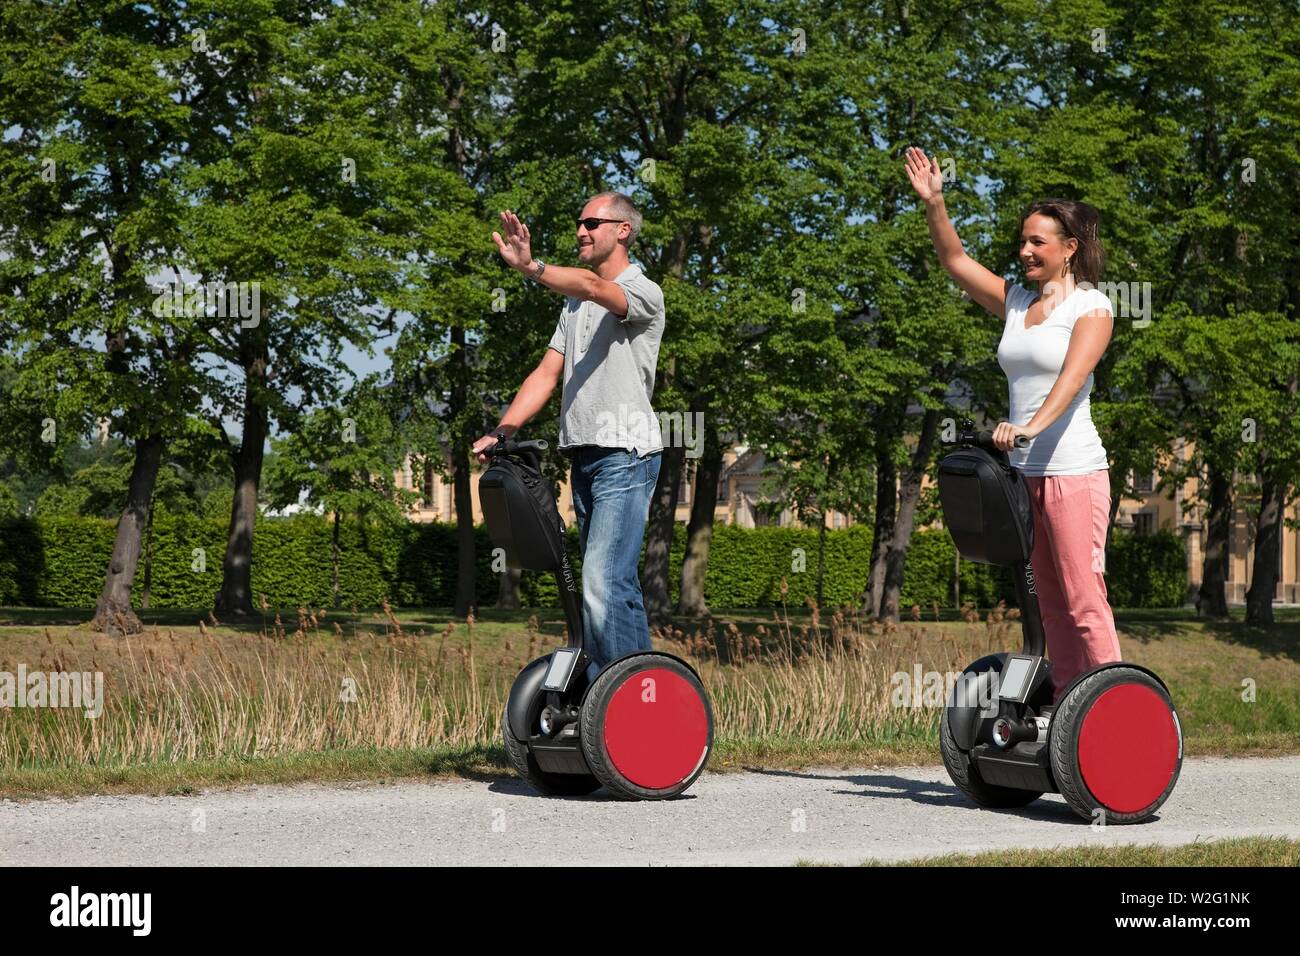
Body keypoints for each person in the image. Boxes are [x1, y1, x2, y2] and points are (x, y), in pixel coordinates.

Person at [904, 146, 1120, 702]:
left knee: (1082, 599)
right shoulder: (1017, 303)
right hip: (1025, 475)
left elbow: (1070, 381)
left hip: (1074, 471)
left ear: (1069, 249)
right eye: (1022, 241)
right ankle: (1072, 712)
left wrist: (1027, 428)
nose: (1024, 251)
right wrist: (935, 202)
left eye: (1037, 243)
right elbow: (955, 262)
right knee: (1048, 601)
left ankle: (1117, 708)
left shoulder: (1091, 308)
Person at [474, 192, 666, 681]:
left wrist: (531, 266)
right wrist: (503, 429)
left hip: (626, 453)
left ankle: (626, 703)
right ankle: (628, 693)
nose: (580, 230)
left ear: (623, 230)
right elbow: (545, 374)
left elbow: (592, 287)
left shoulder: (642, 290)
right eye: (577, 222)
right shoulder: (574, 306)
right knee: (604, 585)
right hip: (584, 456)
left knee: (604, 580)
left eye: (591, 222)